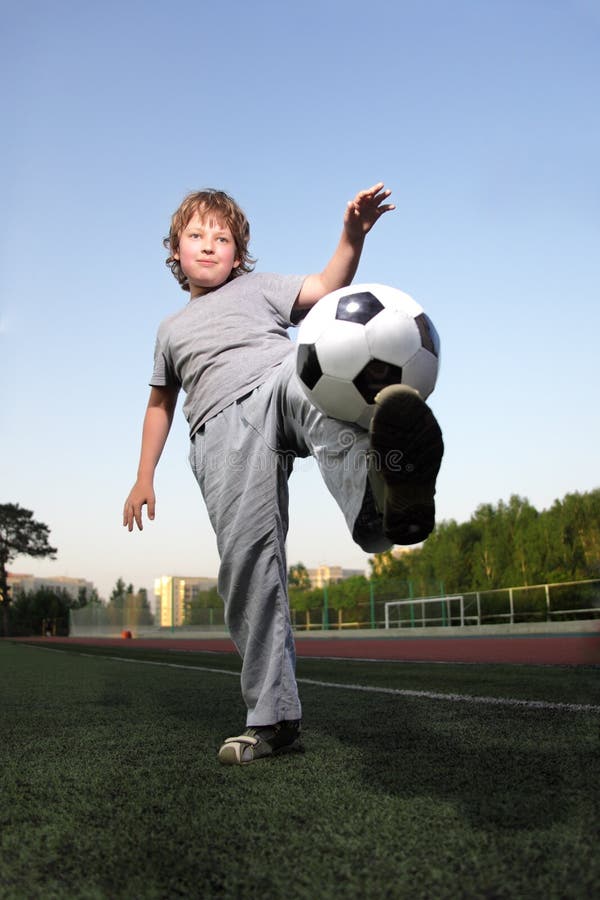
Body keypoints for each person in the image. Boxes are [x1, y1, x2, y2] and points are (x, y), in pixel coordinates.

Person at [123, 183, 443, 765]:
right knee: (249, 564)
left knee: (324, 400)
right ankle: (273, 718)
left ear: (239, 255)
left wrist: (354, 233)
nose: (209, 245)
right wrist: (144, 476)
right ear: (175, 251)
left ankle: (381, 500)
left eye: (222, 238)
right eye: (197, 236)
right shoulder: (170, 330)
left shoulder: (260, 290)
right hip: (219, 433)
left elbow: (326, 287)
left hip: (278, 382)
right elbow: (159, 404)